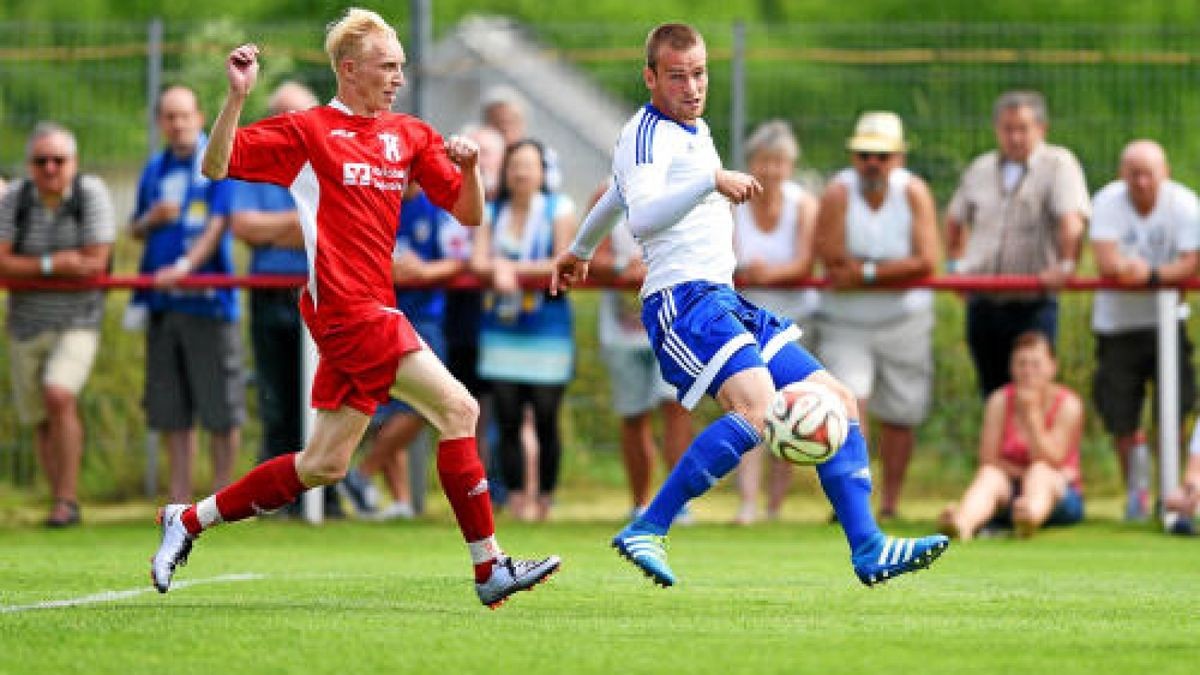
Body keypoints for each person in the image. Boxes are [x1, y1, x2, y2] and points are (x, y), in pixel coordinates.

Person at [150, 8, 559, 609]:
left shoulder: (411, 135)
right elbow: (215, 165)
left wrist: (470, 170)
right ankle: (488, 567)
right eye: (386, 66)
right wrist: (237, 96)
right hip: (348, 310)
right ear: (348, 69)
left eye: (400, 66)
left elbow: (470, 215)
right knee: (459, 406)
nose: (397, 76)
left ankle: (187, 520)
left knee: (323, 464)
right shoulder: (309, 131)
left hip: (369, 311)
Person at [553, 23, 948, 587]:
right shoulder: (648, 134)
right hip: (682, 302)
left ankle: (869, 547)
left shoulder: (690, 128)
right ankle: (650, 525)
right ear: (650, 78)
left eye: (699, 73)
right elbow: (639, 215)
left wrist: (579, 248)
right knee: (759, 411)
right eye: (676, 76)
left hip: (723, 299)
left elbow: (618, 192)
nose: (692, 87)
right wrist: (710, 182)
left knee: (836, 397)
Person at [228, 80, 352, 520]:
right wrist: (303, 223)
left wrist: (284, 228)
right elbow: (244, 226)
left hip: (321, 293)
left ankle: (328, 500)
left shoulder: (334, 155)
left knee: (325, 401)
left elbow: (338, 221)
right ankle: (278, 501)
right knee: (275, 397)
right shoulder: (257, 158)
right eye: (281, 113)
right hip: (268, 294)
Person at [813, 112, 939, 519]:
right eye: (865, 154)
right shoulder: (837, 192)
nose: (873, 163)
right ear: (854, 156)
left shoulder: (915, 193)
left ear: (898, 158)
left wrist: (867, 272)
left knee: (901, 416)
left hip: (905, 321)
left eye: (882, 156)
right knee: (848, 412)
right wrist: (893, 271)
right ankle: (853, 504)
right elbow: (832, 260)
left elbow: (928, 261)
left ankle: (889, 504)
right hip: (845, 322)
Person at [131, 84, 244, 504]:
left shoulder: (216, 161)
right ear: (161, 122)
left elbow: (217, 226)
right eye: (169, 116)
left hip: (209, 305)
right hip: (163, 307)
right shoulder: (154, 169)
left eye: (184, 115)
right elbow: (134, 230)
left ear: (199, 117)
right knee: (172, 411)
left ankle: (222, 500)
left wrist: (183, 269)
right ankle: (180, 503)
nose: (177, 124)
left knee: (220, 410)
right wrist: (149, 219)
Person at [0, 122, 114, 527]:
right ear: (30, 165)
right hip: (24, 325)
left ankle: (66, 500)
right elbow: (1, 261)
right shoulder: (15, 198)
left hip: (78, 320)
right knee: (40, 419)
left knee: (58, 395)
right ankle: (61, 502)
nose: (50, 168)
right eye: (41, 160)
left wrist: (28, 268)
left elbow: (95, 261)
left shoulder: (91, 192)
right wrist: (56, 264)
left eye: (58, 160)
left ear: (74, 162)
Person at [945, 90, 1090, 398]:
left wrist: (1066, 266)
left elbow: (1072, 221)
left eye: (1022, 128)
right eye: (1007, 129)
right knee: (993, 394)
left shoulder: (1059, 165)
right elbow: (955, 219)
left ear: (1041, 128)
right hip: (983, 300)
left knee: (1032, 391)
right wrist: (954, 266)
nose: (1014, 137)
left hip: (1032, 303)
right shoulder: (980, 168)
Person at [1089, 140, 1198, 521]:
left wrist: (1148, 274)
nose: (1141, 181)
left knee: (1174, 411)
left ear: (1164, 172)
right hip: (1117, 325)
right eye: (1133, 173)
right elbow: (1106, 262)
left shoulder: (1184, 204)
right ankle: (1136, 493)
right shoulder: (1107, 201)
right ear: (1123, 174)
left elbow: (1191, 264)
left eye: (1148, 172)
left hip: (1168, 323)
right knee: (1122, 417)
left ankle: (1172, 496)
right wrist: (1138, 273)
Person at [351, 182, 469, 520]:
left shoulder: (438, 207)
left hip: (425, 320)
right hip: (378, 315)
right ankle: (400, 501)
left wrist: (423, 272)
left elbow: (459, 260)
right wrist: (384, 272)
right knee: (384, 409)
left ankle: (362, 474)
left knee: (429, 404)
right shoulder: (371, 204)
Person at [472, 139, 575, 522]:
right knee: (507, 417)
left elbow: (560, 260)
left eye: (530, 166)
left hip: (548, 327)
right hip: (501, 327)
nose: (522, 173)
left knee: (547, 416)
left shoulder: (558, 209)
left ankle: (545, 498)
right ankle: (516, 498)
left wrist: (507, 270)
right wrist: (496, 269)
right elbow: (478, 261)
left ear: (543, 172)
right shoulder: (492, 210)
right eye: (516, 165)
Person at [586, 181, 693, 520]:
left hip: (674, 325)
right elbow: (590, 255)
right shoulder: (603, 195)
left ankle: (679, 504)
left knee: (675, 408)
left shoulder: (682, 190)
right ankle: (640, 505)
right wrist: (623, 267)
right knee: (633, 417)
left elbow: (696, 254)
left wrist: (652, 269)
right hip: (622, 331)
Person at [731, 119, 817, 525]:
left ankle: (775, 506)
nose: (770, 170)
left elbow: (805, 261)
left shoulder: (803, 204)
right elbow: (726, 260)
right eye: (763, 161)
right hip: (746, 319)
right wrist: (748, 272)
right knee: (751, 410)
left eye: (779, 162)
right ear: (751, 163)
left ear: (790, 165)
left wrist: (768, 273)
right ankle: (747, 503)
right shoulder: (733, 203)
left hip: (794, 320)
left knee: (792, 414)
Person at [939, 331, 1085, 540]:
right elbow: (988, 459)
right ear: (1011, 367)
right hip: (1008, 490)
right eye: (1021, 364)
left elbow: (1053, 460)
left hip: (1058, 494)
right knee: (990, 475)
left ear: (1053, 367)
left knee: (1040, 471)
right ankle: (961, 524)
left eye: (1036, 364)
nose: (1028, 371)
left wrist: (1032, 415)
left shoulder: (1069, 404)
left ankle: (1029, 517)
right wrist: (1021, 474)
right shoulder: (999, 401)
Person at [481, 86, 562, 192]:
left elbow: (551, 186)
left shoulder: (543, 154)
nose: (505, 128)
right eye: (498, 122)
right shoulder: (480, 151)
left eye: (511, 121)